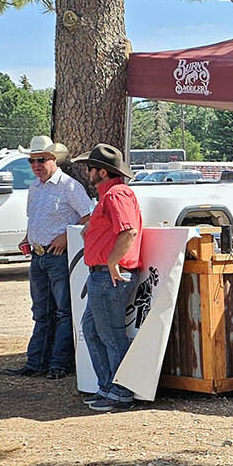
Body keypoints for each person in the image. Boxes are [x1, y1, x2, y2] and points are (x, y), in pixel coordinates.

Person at [4, 136, 93, 380]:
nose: (36, 165)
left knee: (63, 311)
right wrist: (27, 237)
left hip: (57, 256)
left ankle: (57, 363)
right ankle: (37, 362)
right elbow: (34, 219)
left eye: (40, 160)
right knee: (41, 311)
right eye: (32, 161)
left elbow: (89, 215)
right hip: (38, 254)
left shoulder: (69, 185)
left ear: (53, 159)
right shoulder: (35, 187)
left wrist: (66, 235)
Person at [77, 144, 143, 412]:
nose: (88, 173)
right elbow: (122, 230)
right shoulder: (113, 195)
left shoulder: (115, 195)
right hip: (104, 275)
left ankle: (120, 391)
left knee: (109, 334)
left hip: (108, 275)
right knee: (95, 330)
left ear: (102, 172)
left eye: (90, 169)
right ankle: (109, 386)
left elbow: (128, 232)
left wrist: (113, 261)